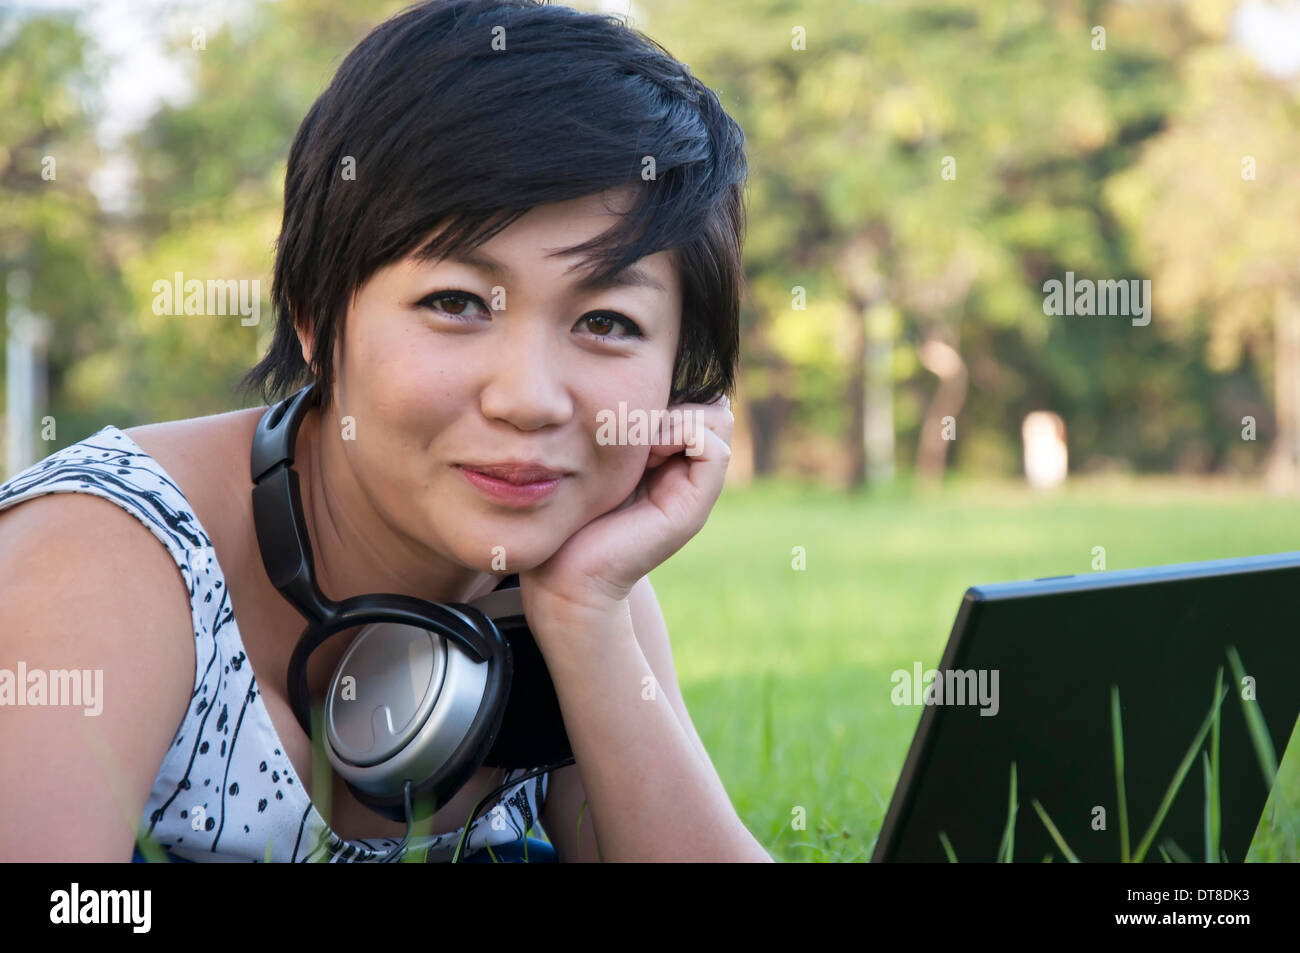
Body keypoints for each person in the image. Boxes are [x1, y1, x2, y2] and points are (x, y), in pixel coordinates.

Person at [0, 0, 771, 862]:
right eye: (456, 303)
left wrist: (587, 617)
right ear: (314, 316)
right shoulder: (109, 554)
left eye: (607, 321)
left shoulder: (574, 571)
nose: (529, 400)